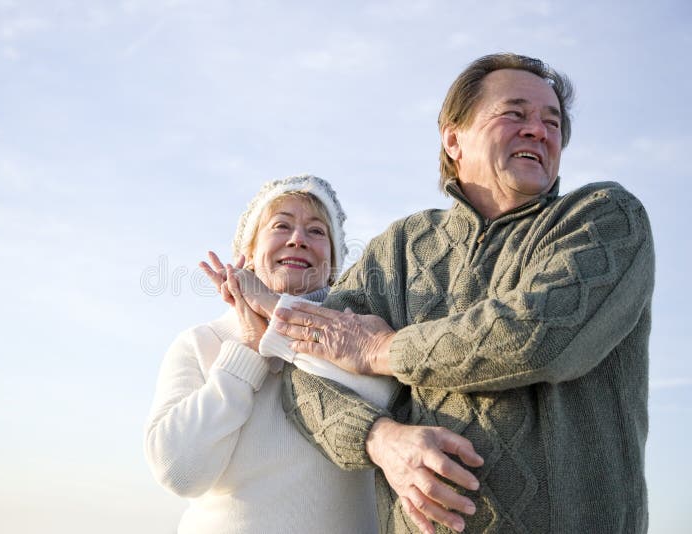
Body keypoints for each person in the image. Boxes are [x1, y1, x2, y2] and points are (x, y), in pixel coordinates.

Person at [236, 54, 655, 533]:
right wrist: (379, 438)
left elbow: (539, 335)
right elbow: (305, 370)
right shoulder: (400, 247)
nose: (539, 131)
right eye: (515, 113)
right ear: (454, 139)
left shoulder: (605, 217)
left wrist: (380, 349)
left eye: (552, 122)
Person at [143, 174, 397, 533]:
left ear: (334, 266)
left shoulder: (365, 337)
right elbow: (178, 470)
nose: (298, 239)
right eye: (281, 225)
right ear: (246, 255)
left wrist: (278, 318)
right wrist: (248, 350)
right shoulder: (202, 342)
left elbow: (378, 396)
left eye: (316, 231)